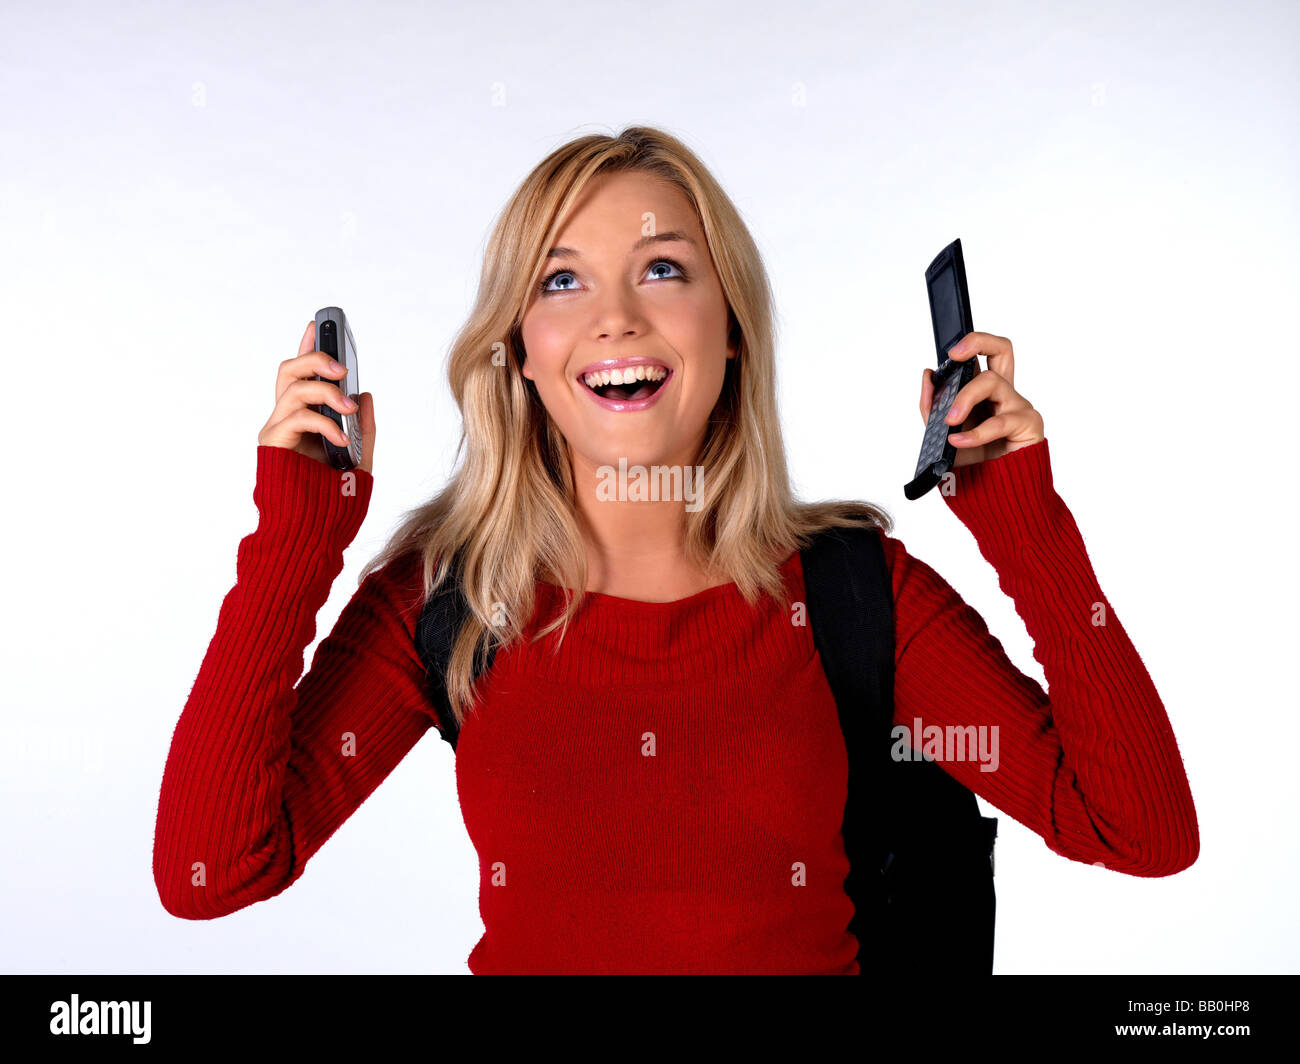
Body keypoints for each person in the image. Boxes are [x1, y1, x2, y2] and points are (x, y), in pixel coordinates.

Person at [152, 126, 1199, 975]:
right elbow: (210, 871)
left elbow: (1136, 827)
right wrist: (297, 540)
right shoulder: (452, 601)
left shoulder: (852, 595)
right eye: (562, 283)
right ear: (519, 348)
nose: (615, 317)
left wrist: (1021, 519)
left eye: (662, 269)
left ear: (731, 326)